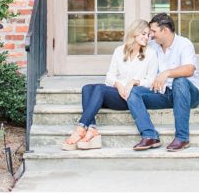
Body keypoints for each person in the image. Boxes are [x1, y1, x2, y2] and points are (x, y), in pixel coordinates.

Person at [62, 19, 158, 151]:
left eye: (148, 35)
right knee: (87, 88)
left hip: (132, 97)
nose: (146, 38)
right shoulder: (119, 51)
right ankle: (92, 129)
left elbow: (151, 81)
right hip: (116, 93)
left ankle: (81, 128)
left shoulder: (151, 54)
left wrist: (134, 82)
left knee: (99, 89)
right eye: (143, 34)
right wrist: (118, 84)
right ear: (134, 33)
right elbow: (110, 77)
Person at [125, 12, 199, 152]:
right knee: (134, 92)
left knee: (179, 81)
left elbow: (189, 69)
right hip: (165, 93)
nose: (151, 35)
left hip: (190, 94)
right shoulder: (153, 46)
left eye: (154, 31)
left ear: (165, 30)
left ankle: (182, 138)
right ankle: (150, 136)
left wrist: (166, 73)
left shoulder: (184, 44)